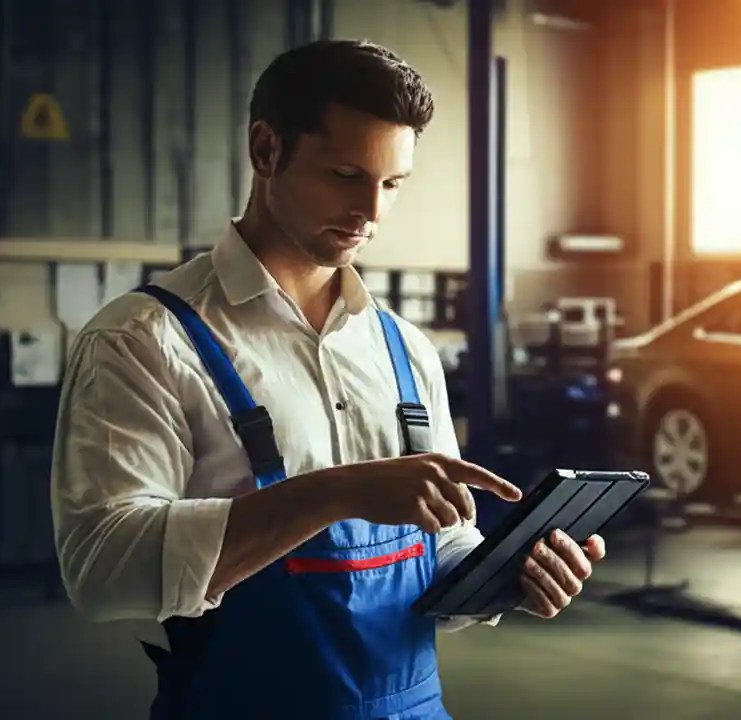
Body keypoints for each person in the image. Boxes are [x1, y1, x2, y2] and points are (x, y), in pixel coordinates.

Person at [49, 39, 605, 720]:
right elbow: (102, 571)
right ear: (266, 150)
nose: (371, 211)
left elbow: (444, 543)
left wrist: (505, 575)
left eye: (393, 185)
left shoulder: (403, 349)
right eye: (345, 174)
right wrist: (336, 494)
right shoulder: (143, 340)